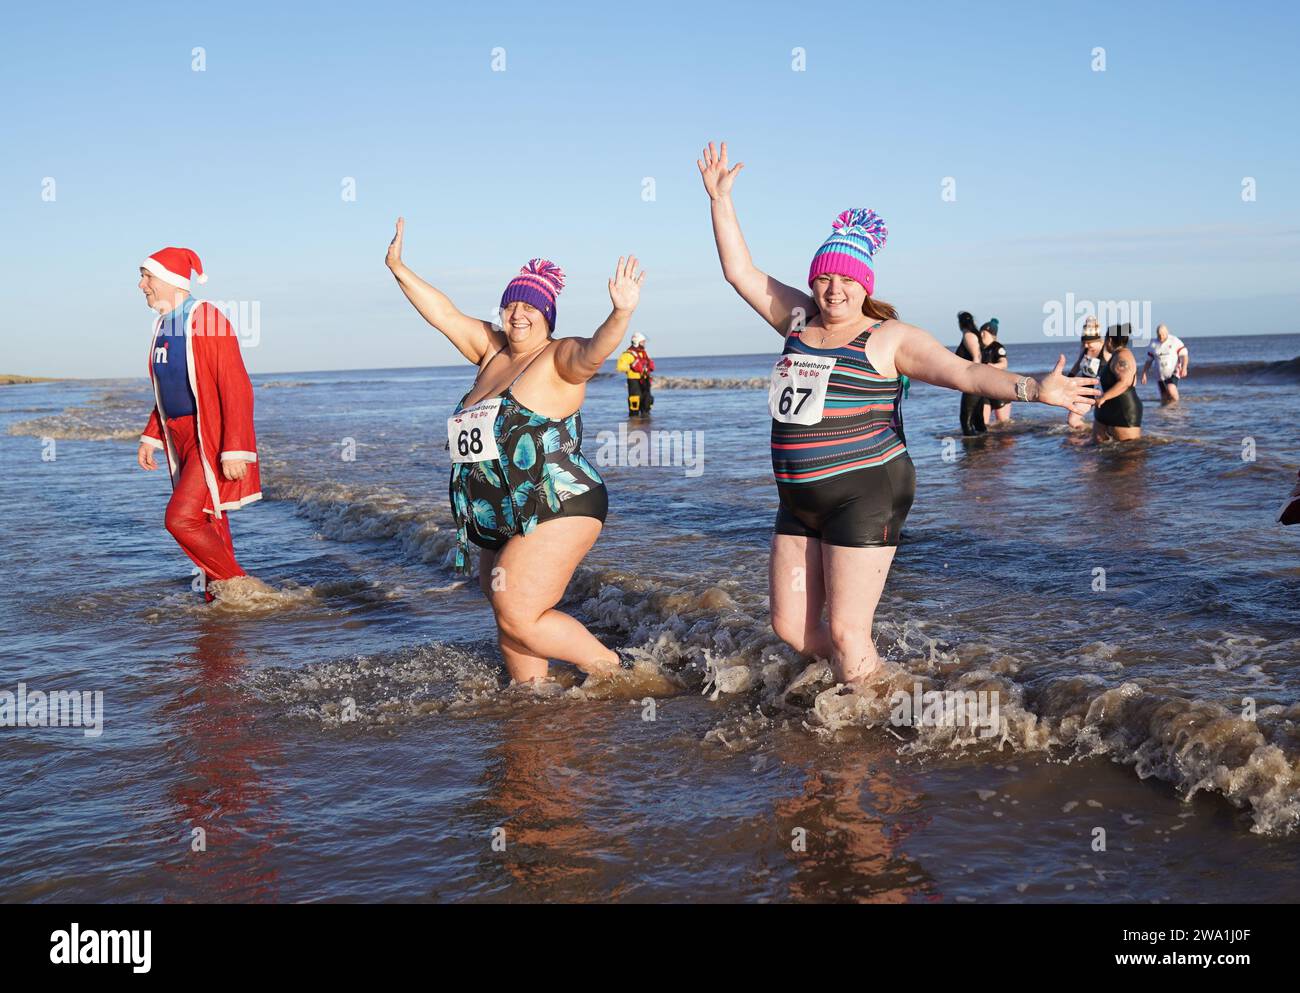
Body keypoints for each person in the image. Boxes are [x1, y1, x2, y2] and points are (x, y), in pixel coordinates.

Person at [697, 141, 1097, 685]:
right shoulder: (796, 320)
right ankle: (877, 690)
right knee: (790, 628)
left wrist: (1032, 388)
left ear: (865, 285)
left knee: (845, 631)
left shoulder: (889, 338)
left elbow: (966, 374)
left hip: (865, 489)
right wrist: (721, 199)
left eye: (845, 279)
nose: (833, 289)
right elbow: (739, 271)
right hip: (797, 497)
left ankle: (878, 722)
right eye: (823, 278)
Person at [385, 218, 645, 684]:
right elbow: (443, 313)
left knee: (516, 609)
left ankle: (617, 671)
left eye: (531, 306)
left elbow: (593, 353)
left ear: (548, 315)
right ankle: (531, 698)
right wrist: (398, 268)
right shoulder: (492, 352)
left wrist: (621, 315)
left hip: (557, 502)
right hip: (498, 510)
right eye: (511, 305)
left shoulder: (558, 356)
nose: (518, 314)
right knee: (507, 609)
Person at [135, 247, 265, 600]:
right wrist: (152, 435)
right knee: (208, 519)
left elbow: (235, 384)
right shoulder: (164, 323)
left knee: (180, 518)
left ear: (171, 280)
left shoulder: (205, 317)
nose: (141, 284)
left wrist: (236, 448)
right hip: (178, 435)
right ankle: (217, 597)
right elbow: (172, 383)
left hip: (208, 435)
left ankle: (243, 587)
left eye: (147, 276)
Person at [1094, 322, 1143, 442]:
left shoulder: (1123, 357)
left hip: (1123, 412)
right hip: (1107, 410)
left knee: (1129, 454)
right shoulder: (1116, 356)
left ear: (1109, 340)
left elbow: (1125, 382)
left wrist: (1104, 397)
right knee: (1097, 451)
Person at [1067, 317, 1105, 429]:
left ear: (1097, 340)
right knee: (1072, 421)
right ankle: (1086, 433)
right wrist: (1069, 378)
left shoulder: (1107, 350)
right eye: (1084, 343)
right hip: (1086, 391)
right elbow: (1078, 363)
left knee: (1105, 427)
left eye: (1089, 343)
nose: (1086, 346)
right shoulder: (1084, 348)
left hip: (1103, 394)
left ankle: (1094, 438)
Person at [954, 311, 986, 436]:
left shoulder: (968, 335)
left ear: (961, 323)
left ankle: (971, 448)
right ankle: (983, 445)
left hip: (974, 381)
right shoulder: (972, 335)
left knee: (966, 417)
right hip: (978, 380)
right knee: (977, 417)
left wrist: (972, 380)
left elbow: (976, 358)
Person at [1142, 323, 1189, 404]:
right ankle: (1166, 414)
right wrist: (1144, 373)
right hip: (1160, 374)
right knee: (1164, 398)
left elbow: (1184, 355)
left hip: (1173, 371)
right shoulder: (1153, 344)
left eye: (1163, 335)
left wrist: (1184, 368)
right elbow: (1149, 361)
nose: (1161, 337)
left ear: (1167, 333)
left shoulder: (1175, 341)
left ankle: (1178, 407)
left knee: (1171, 389)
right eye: (1159, 335)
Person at [979, 318, 1011, 425]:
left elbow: (1004, 363)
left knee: (1003, 423)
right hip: (984, 390)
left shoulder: (998, 347)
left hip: (999, 390)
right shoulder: (979, 349)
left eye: (984, 333)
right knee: (983, 423)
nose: (981, 335)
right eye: (981, 332)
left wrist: (992, 366)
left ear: (993, 335)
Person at [615, 332, 655, 416]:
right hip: (633, 379)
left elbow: (647, 365)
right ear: (636, 342)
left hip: (645, 379)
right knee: (635, 400)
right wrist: (631, 366)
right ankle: (634, 419)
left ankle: (646, 420)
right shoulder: (628, 354)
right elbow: (620, 367)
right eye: (642, 342)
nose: (644, 344)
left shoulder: (643, 353)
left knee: (647, 400)